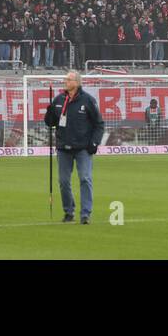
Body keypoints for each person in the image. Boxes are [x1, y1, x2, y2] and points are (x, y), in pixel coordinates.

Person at [43, 70, 105, 224]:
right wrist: (49, 112)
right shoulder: (59, 99)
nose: (66, 81)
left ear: (77, 82)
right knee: (63, 181)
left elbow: (99, 124)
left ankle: (85, 213)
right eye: (66, 79)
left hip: (83, 147)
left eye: (69, 79)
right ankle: (68, 211)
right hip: (63, 147)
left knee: (85, 178)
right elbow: (50, 123)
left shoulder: (88, 100)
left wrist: (94, 143)